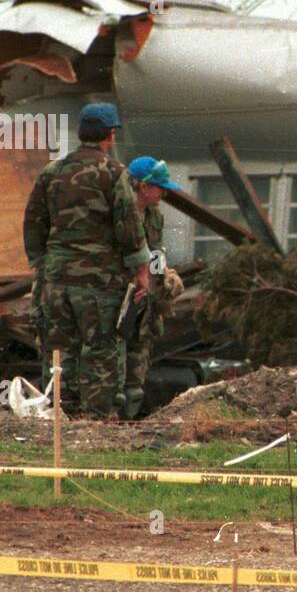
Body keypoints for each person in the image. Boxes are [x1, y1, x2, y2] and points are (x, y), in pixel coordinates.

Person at [23, 102, 150, 418]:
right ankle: (94, 421)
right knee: (100, 350)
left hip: (55, 282)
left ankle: (60, 416)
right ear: (110, 135)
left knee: (59, 351)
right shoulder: (113, 173)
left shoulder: (51, 173)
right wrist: (141, 272)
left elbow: (33, 222)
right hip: (99, 283)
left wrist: (43, 265)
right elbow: (129, 226)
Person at [121, 157, 186, 419]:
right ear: (142, 187)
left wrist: (165, 277)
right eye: (158, 186)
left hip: (144, 305)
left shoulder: (154, 217)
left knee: (135, 377)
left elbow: (155, 253)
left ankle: (125, 424)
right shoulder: (121, 215)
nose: (163, 192)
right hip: (120, 299)